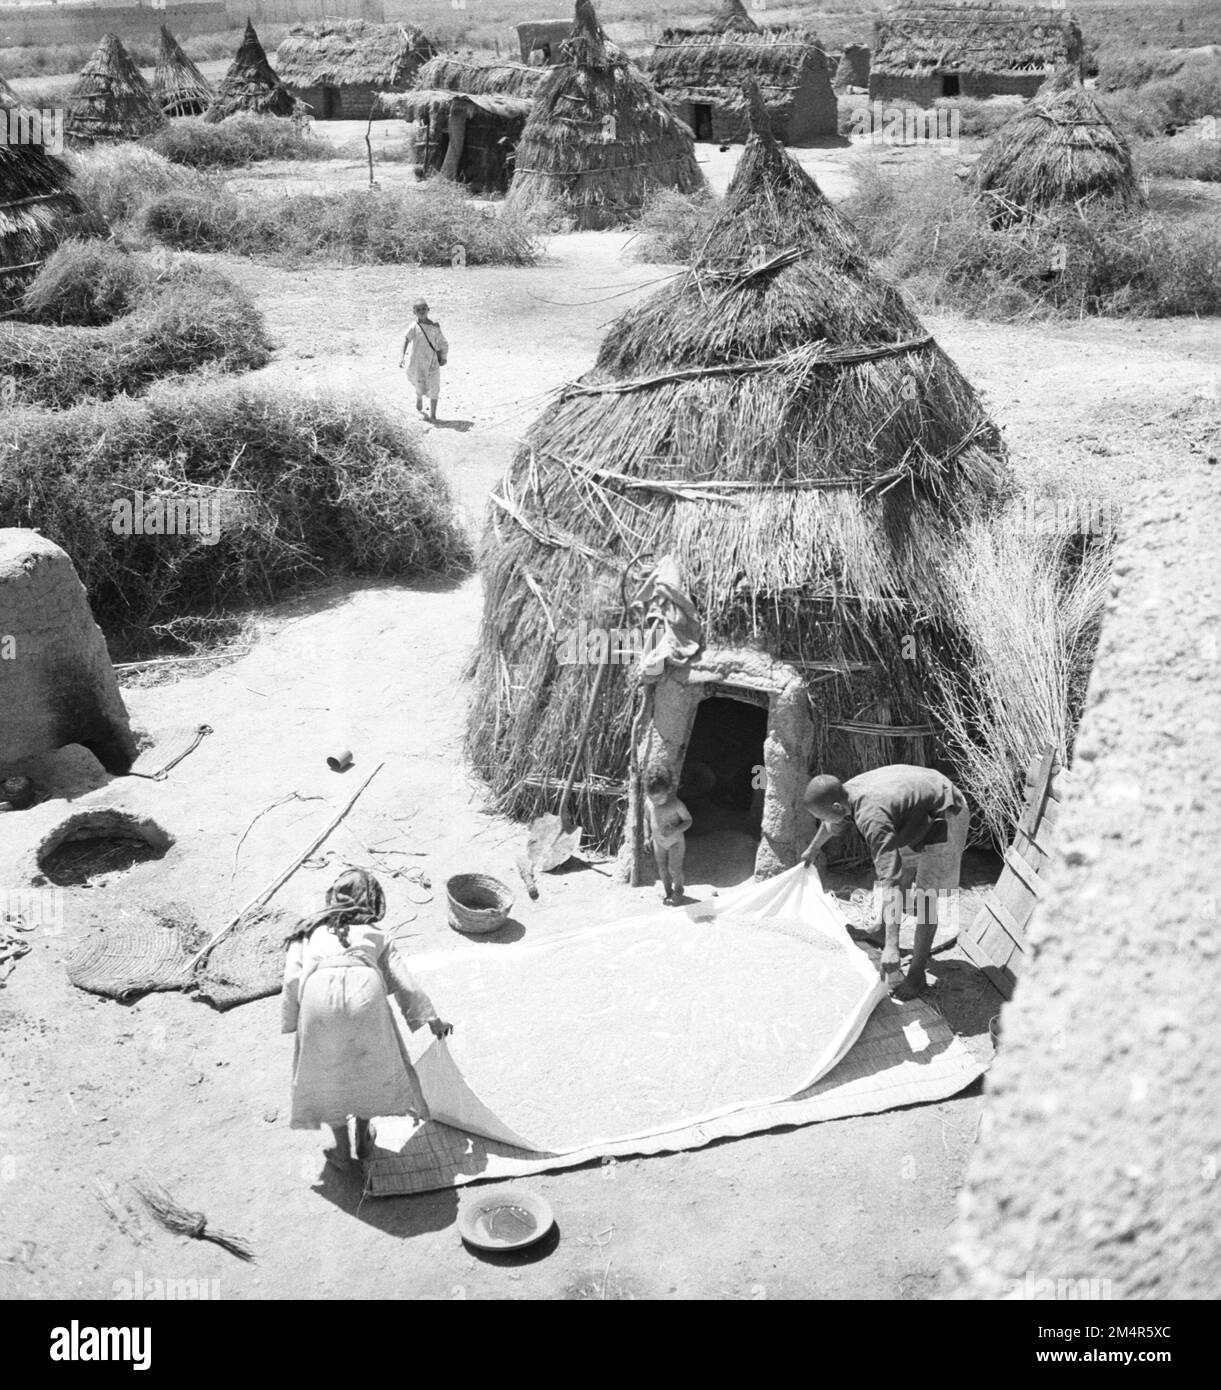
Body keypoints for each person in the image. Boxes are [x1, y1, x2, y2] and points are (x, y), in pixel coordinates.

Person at [281, 868, 453, 1171]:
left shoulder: (307, 930)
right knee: (368, 1066)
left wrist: (293, 1020)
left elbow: (293, 978)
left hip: (318, 994)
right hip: (366, 994)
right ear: (372, 900)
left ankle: (343, 1152)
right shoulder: (376, 933)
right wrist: (432, 1020)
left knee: (327, 1072)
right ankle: (363, 1136)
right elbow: (404, 982)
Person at [799, 765, 969, 1001]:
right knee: (901, 871)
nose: (822, 822)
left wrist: (892, 947)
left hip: (947, 813)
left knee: (926, 898)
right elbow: (832, 823)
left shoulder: (873, 818)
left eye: (821, 817)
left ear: (837, 807)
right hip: (916, 812)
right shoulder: (845, 793)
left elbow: (890, 879)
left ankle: (917, 974)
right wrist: (812, 850)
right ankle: (881, 931)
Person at [645, 770, 692, 905]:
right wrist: (647, 836)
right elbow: (646, 818)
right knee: (662, 868)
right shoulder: (649, 802)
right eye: (652, 798)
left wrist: (676, 830)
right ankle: (668, 892)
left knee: (674, 868)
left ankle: (678, 891)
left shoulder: (676, 805)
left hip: (675, 842)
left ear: (669, 790)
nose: (655, 801)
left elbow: (688, 821)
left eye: (659, 798)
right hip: (658, 842)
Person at [398, 298, 448, 423]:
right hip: (419, 363)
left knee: (434, 386)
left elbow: (442, 343)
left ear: (428, 310)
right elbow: (406, 339)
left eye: (423, 309)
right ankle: (419, 397)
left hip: (433, 362)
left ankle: (433, 415)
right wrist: (402, 356)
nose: (421, 311)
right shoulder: (414, 326)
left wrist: (443, 357)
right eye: (418, 309)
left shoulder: (435, 327)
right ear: (414, 312)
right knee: (420, 384)